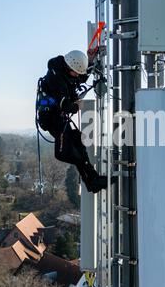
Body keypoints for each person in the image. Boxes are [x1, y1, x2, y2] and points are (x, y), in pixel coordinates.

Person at [36, 50, 113, 193]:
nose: (77, 75)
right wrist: (76, 106)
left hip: (58, 116)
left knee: (78, 144)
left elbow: (80, 77)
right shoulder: (56, 79)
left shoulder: (65, 71)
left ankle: (92, 180)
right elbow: (65, 105)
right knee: (71, 150)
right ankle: (92, 180)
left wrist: (90, 60)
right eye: (75, 72)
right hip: (52, 118)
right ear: (69, 67)